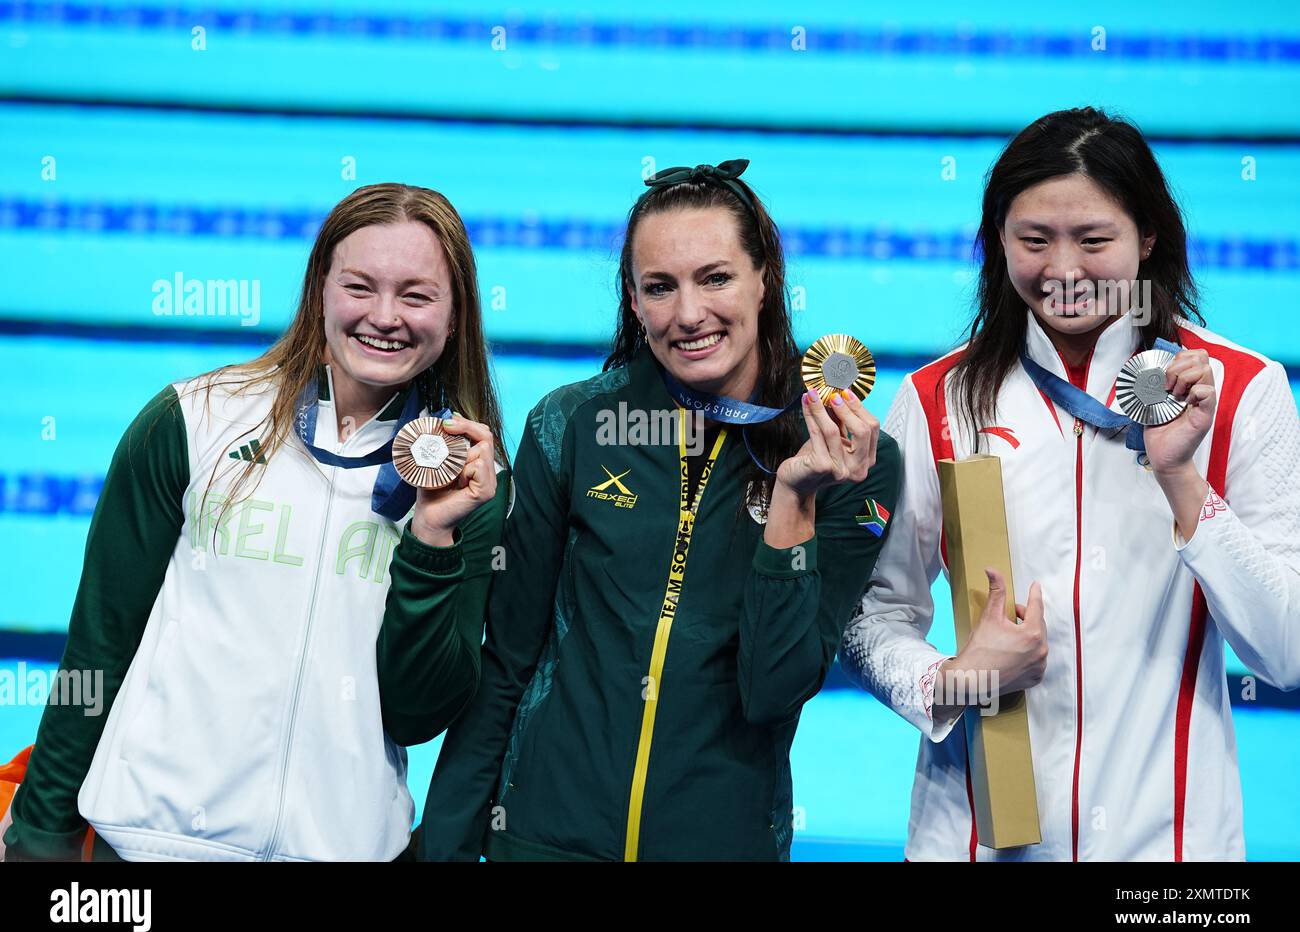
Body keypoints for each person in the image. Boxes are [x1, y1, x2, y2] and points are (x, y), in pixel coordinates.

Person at [840, 107, 1300, 861]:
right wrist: (953, 678)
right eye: (1033, 240)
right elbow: (867, 617)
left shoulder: (1243, 391)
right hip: (974, 842)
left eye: (1093, 240)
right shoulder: (937, 400)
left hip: (1172, 855)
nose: (1064, 271)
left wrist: (1181, 476)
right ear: (997, 242)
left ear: (1147, 236)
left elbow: (1285, 653)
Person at [3, 183, 508, 862]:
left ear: (454, 316)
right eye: (359, 286)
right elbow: (100, 644)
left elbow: (417, 713)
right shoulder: (192, 422)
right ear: (319, 290)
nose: (385, 317)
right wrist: (41, 833)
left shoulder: (468, 486)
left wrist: (432, 536)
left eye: (416, 296)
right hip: (151, 848)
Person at [418, 159, 901, 861]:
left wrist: (793, 502)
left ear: (765, 279)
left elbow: (774, 688)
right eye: (659, 288)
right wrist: (446, 847)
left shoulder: (852, 460)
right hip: (544, 843)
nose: (688, 314)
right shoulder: (572, 425)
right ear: (635, 302)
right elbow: (509, 661)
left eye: (715, 277)